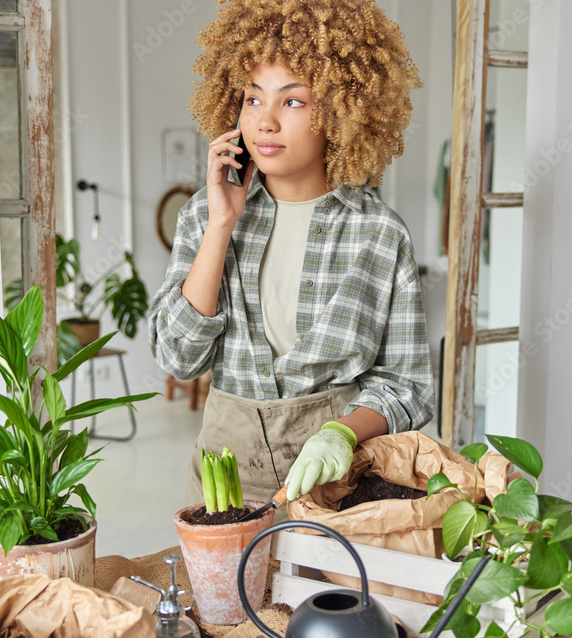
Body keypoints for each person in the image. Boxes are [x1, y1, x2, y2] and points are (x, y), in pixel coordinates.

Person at [149, 0, 434, 508]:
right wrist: (221, 225)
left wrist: (340, 434)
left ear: (343, 110)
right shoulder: (204, 215)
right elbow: (178, 358)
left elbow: (409, 386)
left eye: (293, 102)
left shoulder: (379, 234)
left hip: (337, 479)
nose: (266, 123)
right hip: (222, 478)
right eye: (253, 100)